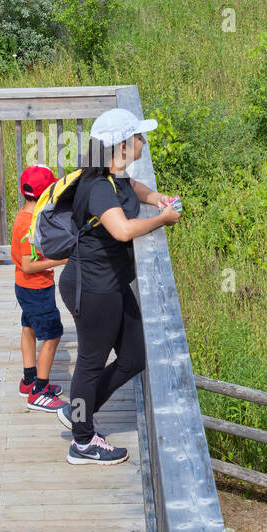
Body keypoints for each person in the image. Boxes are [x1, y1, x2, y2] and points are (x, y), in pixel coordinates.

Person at [57, 108, 181, 465]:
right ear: (123, 145)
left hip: (109, 283)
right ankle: (82, 442)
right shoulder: (98, 187)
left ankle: (80, 410)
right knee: (91, 363)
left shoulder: (112, 176)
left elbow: (131, 189)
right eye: (139, 136)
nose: (144, 141)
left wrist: (155, 198)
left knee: (133, 356)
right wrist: (162, 219)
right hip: (92, 288)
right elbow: (122, 230)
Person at [11, 165, 68, 413]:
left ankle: (29, 379)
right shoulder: (28, 224)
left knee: (29, 327)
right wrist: (64, 259)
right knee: (53, 335)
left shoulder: (26, 215)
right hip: (36, 287)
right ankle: (39, 392)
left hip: (24, 287)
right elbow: (28, 265)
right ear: (45, 194)